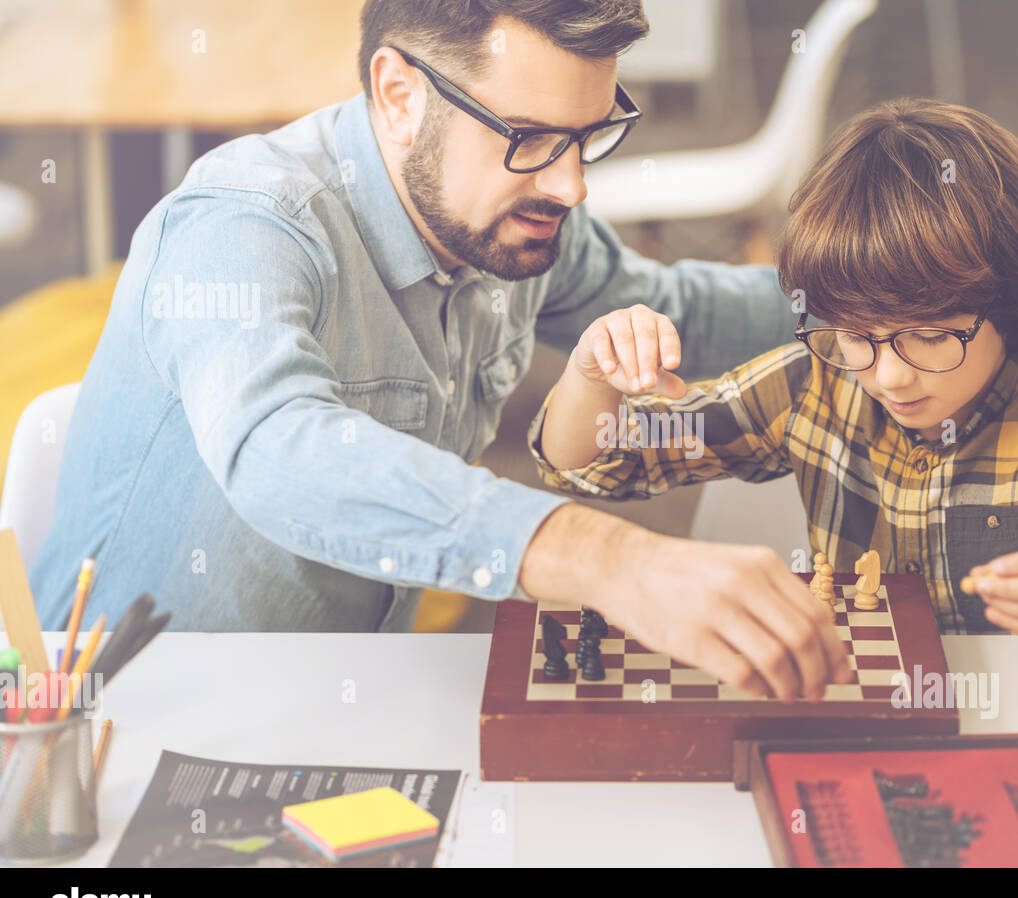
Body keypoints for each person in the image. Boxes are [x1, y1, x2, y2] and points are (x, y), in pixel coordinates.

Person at [31, 1, 850, 701]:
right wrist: (605, 556)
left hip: (358, 698)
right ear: (398, 96)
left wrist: (898, 296)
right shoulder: (243, 223)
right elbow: (279, 447)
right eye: (527, 136)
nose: (571, 186)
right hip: (121, 732)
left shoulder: (511, 218)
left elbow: (680, 310)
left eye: (588, 136)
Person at [530, 97, 1018, 685]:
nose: (888, 374)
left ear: (1017, 305)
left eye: (929, 334)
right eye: (857, 332)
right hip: (858, 714)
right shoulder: (815, 382)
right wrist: (588, 374)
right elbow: (595, 463)